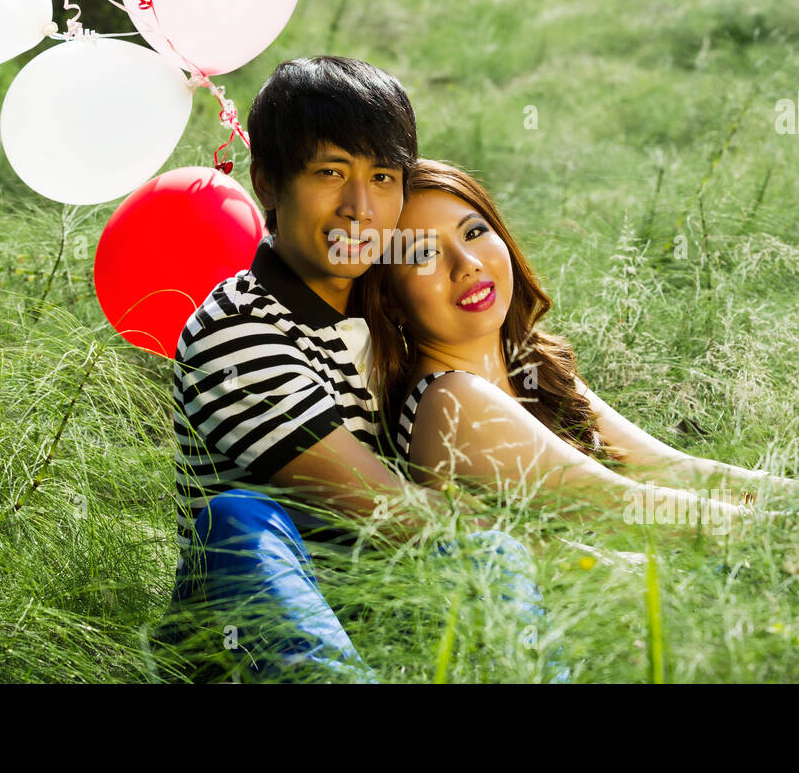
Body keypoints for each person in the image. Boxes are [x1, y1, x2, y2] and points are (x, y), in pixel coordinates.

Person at [160, 58, 569, 683]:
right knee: (239, 517)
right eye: (331, 173)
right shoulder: (236, 328)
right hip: (246, 640)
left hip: (389, 616)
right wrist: (556, 548)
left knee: (487, 549)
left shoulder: (395, 303)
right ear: (267, 183)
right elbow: (383, 510)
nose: (360, 208)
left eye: (383, 178)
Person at [350, 158, 799, 538]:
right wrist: (791, 533)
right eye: (423, 253)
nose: (466, 263)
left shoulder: (527, 367)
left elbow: (662, 467)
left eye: (473, 233)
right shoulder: (449, 401)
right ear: (392, 300)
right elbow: (617, 503)